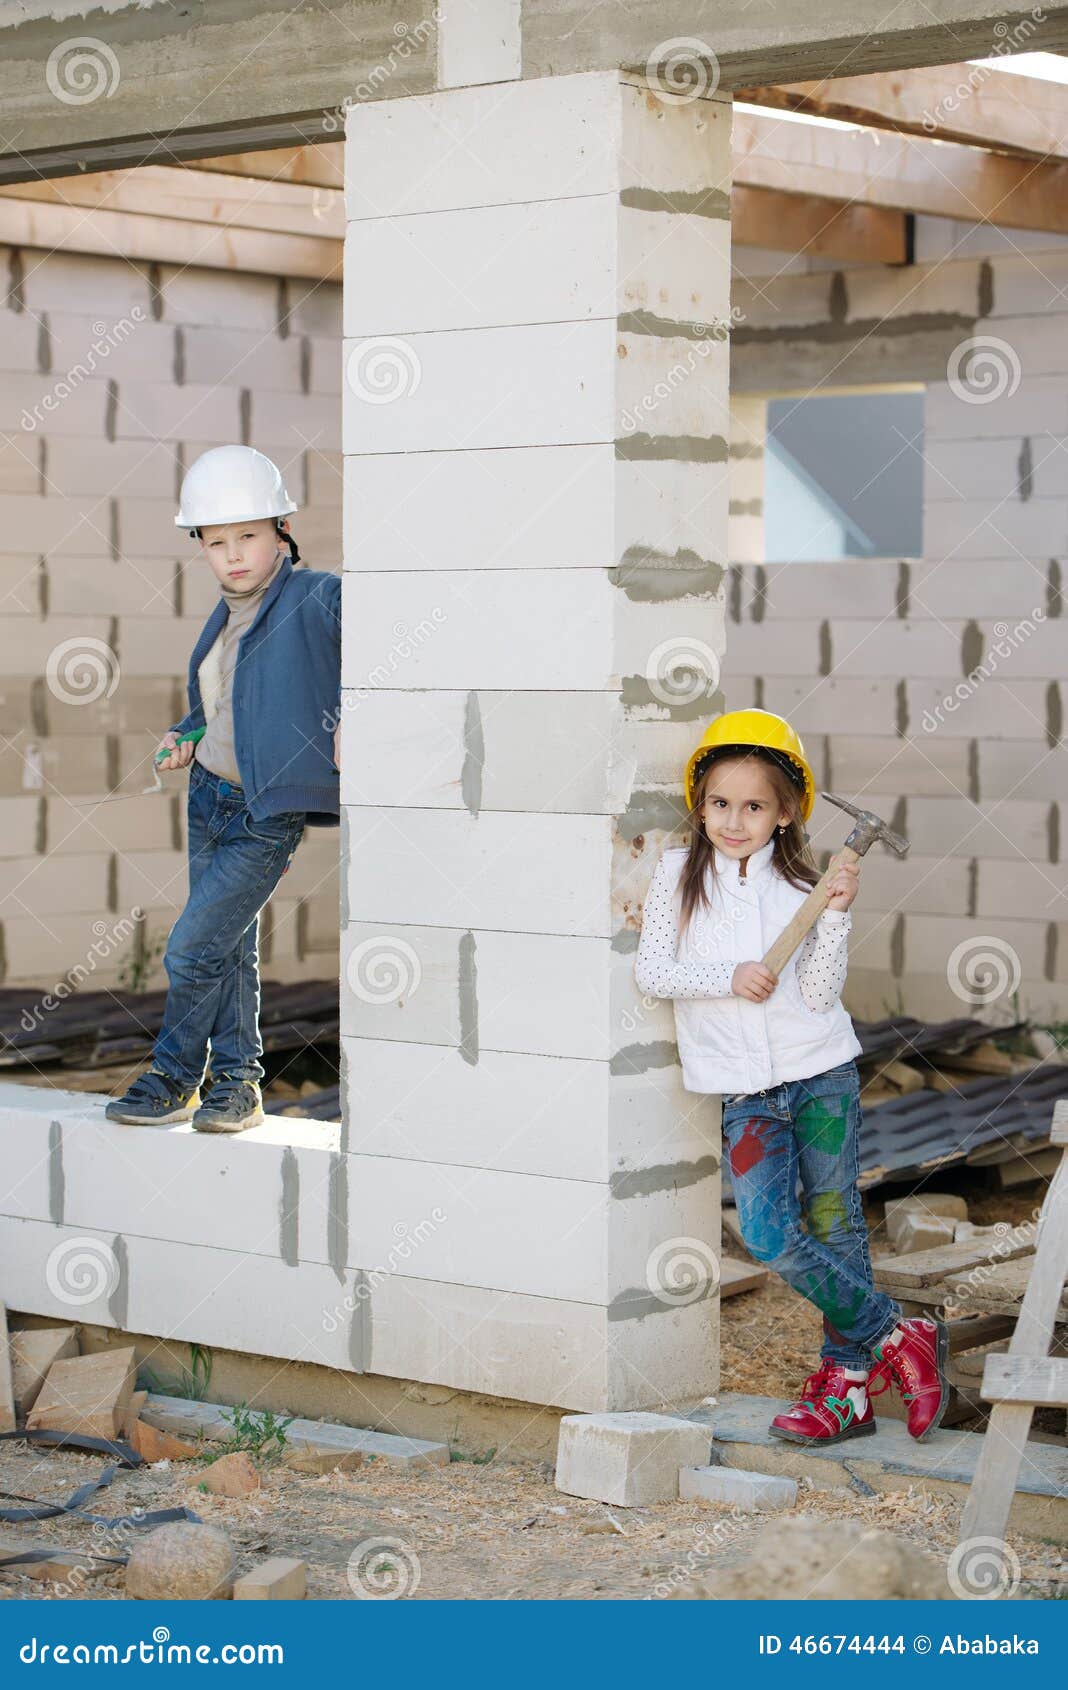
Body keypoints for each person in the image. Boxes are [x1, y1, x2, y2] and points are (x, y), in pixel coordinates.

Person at [634, 708, 949, 1444]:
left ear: (784, 814)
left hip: (821, 1076)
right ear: (700, 804)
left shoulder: (800, 880)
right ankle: (898, 1336)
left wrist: (836, 915)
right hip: (746, 1093)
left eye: (753, 806)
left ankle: (847, 1392)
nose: (733, 821)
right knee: (770, 1236)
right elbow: (654, 973)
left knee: (835, 1222)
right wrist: (727, 975)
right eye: (719, 803)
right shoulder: (679, 876)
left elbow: (816, 995)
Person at [105, 445, 342, 1134]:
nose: (233, 554)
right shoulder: (226, 615)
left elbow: (382, 637)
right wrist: (187, 732)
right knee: (230, 948)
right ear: (201, 547)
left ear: (282, 532)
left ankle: (173, 1078)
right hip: (211, 797)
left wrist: (356, 714)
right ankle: (237, 1087)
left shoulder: (314, 596)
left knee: (188, 949)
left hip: (268, 812)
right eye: (216, 542)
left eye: (248, 536)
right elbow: (228, 701)